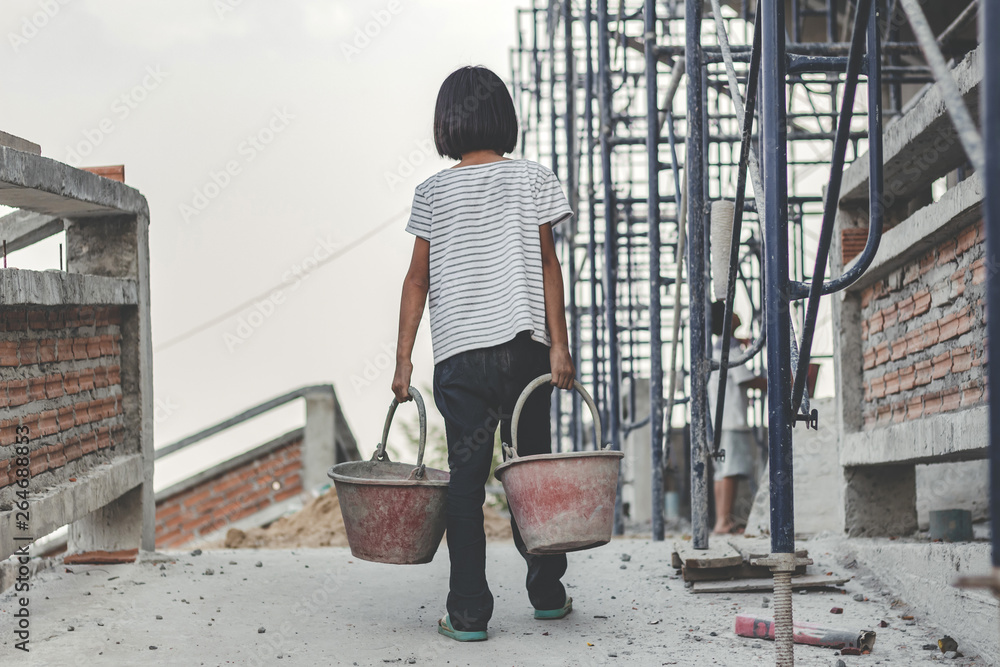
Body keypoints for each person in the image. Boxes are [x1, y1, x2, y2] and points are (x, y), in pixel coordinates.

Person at [391, 65, 576, 642]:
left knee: (466, 486)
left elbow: (416, 281)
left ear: (446, 123)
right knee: (528, 475)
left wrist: (403, 362)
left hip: (462, 359)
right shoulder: (534, 179)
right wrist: (561, 349)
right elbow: (550, 266)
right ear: (504, 119)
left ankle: (469, 611)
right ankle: (547, 592)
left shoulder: (432, 192)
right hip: (525, 353)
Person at [707, 301, 765, 535]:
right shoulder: (729, 349)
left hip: (719, 420)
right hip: (732, 419)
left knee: (721, 471)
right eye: (731, 312)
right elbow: (745, 378)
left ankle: (721, 521)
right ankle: (724, 521)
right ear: (725, 321)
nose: (736, 314)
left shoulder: (717, 347)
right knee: (730, 470)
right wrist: (776, 383)